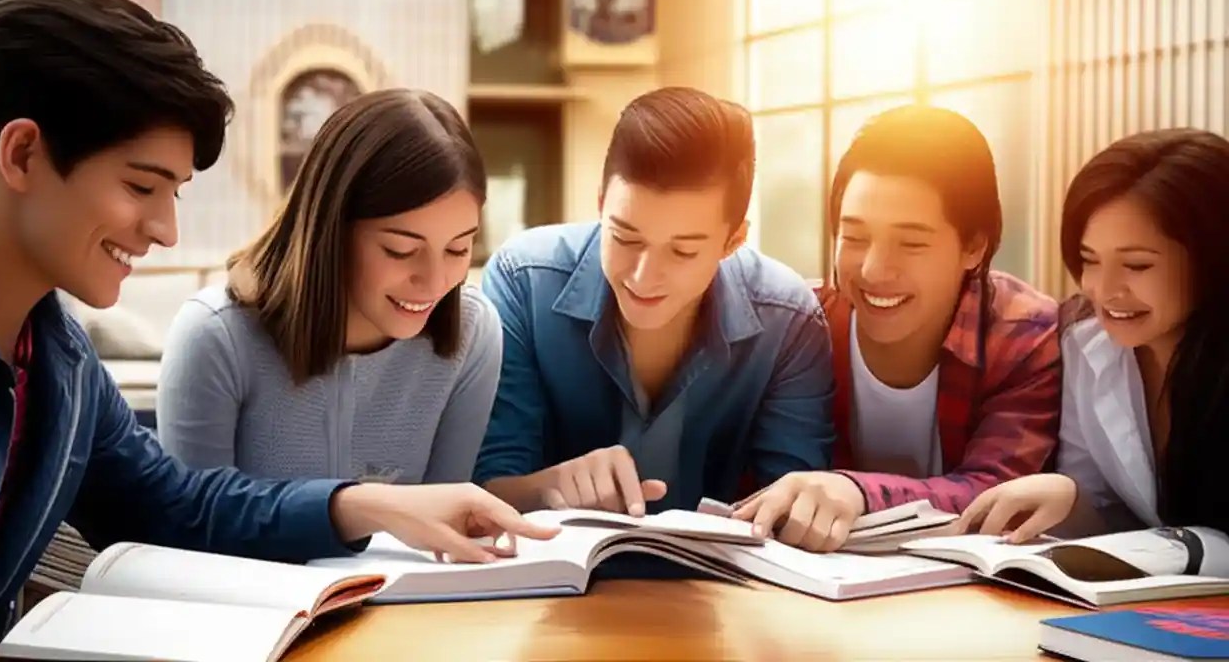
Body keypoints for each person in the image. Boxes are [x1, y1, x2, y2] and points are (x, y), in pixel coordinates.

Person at [0, 0, 555, 658]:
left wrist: (368, 504)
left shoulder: (57, 361)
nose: (166, 230)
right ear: (23, 154)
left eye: (173, 193)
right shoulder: (203, 335)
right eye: (141, 186)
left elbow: (173, 507)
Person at [472, 86, 835, 517]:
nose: (644, 276)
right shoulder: (523, 281)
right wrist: (548, 488)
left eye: (683, 251)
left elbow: (791, 501)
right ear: (601, 205)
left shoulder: (788, 320)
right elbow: (483, 490)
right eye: (625, 237)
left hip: (719, 582)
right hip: (550, 580)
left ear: (733, 240)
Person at [732, 105, 1061, 551]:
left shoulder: (1021, 334)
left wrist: (858, 492)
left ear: (974, 247)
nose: (873, 269)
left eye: (911, 243)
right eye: (854, 237)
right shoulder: (795, 325)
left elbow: (997, 497)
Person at [156, 88, 501, 487]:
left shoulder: (473, 333)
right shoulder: (215, 336)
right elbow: (191, 529)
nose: (436, 281)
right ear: (331, 230)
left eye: (459, 248)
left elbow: (448, 514)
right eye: (400, 250)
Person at [953, 128, 1229, 543]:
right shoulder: (1086, 342)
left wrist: (1177, 552)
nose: (1105, 290)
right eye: (1089, 260)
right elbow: (1114, 519)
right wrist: (1071, 498)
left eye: (1137, 265)